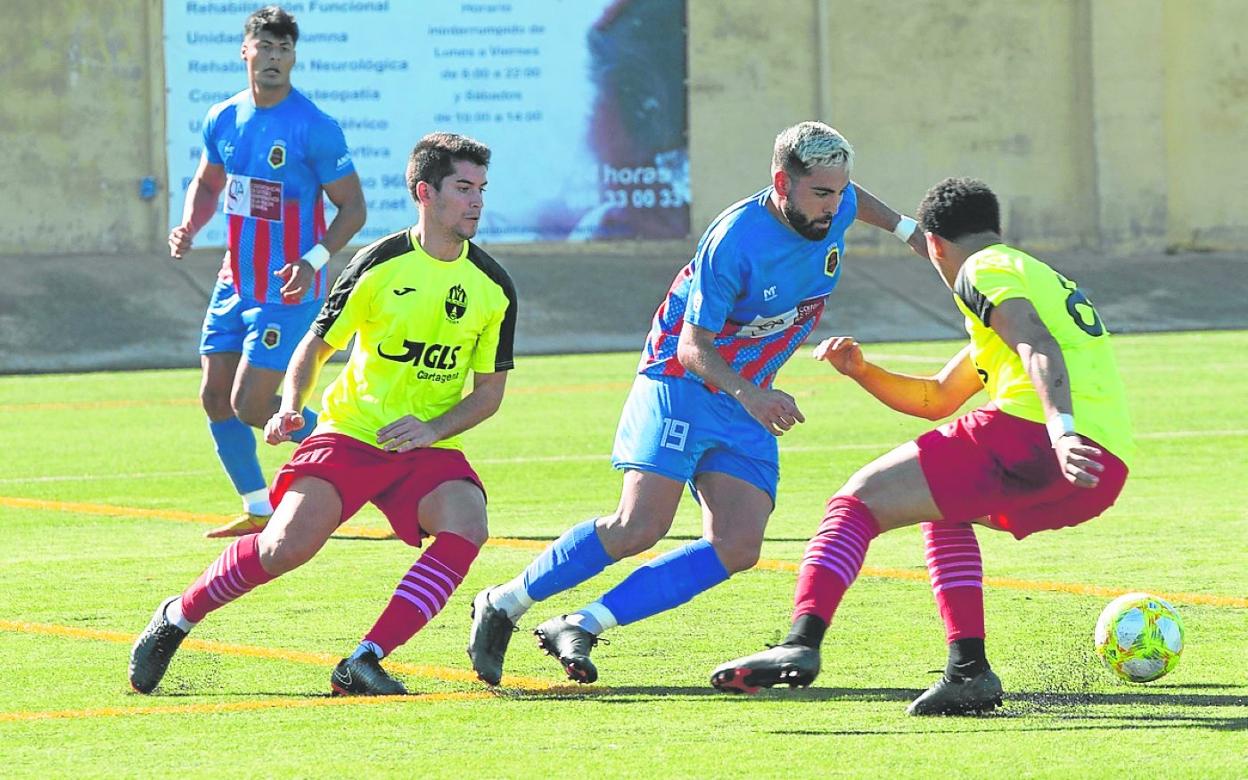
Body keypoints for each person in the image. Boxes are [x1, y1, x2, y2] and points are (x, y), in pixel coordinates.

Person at [466, 121, 926, 686]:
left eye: (840, 191)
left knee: (738, 544)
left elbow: (858, 201)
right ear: (782, 182)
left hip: (745, 392)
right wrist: (753, 395)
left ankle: (581, 623)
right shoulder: (736, 240)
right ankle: (503, 602)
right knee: (639, 525)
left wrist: (908, 229)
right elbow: (692, 346)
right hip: (683, 379)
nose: (834, 207)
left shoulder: (837, 202)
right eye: (822, 193)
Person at [710, 177, 1135, 716]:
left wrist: (1061, 429)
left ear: (934, 245)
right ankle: (969, 672)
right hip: (1103, 467)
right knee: (943, 510)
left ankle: (800, 640)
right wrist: (863, 371)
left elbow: (1036, 341)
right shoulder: (1028, 276)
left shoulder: (982, 270)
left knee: (854, 502)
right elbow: (937, 398)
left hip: (1039, 436)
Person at [130, 132, 517, 696]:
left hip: (425, 445)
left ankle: (364, 658)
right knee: (284, 548)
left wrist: (431, 430)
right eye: (463, 188)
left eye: (481, 188)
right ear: (425, 193)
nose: (476, 201)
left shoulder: (493, 287)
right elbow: (313, 348)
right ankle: (177, 616)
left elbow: (488, 394)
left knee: (468, 524)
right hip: (352, 432)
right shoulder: (379, 265)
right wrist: (290, 408)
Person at [170, 6, 366, 538]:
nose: (275, 57)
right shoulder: (224, 117)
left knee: (253, 405)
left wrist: (313, 259)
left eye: (284, 48)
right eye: (266, 46)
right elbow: (208, 184)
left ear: (294, 57)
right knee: (215, 397)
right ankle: (258, 508)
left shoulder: (314, 127)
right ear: (246, 51)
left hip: (289, 289)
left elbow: (353, 208)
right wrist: (189, 225)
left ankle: (363, 455)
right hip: (235, 281)